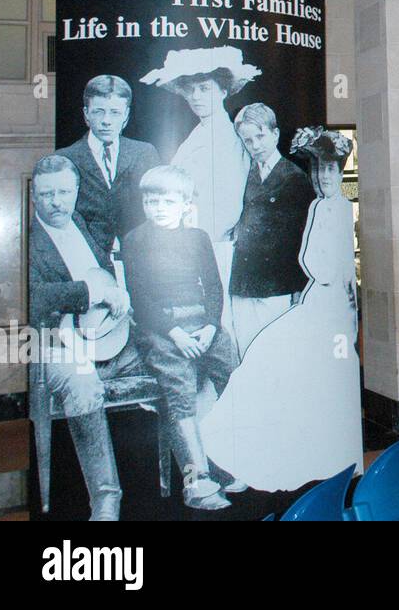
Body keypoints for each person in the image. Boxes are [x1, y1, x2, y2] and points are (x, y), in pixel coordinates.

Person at [200, 127, 361, 492]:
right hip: (315, 300)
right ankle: (254, 459)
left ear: (340, 173)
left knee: (278, 366)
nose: (324, 178)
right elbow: (310, 261)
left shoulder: (339, 209)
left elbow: (327, 268)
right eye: (319, 171)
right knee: (265, 365)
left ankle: (305, 460)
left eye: (331, 171)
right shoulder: (320, 206)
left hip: (330, 309)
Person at [123, 165, 241, 511]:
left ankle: (231, 460)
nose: (158, 207)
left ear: (185, 203)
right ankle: (198, 480)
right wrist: (175, 334)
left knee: (234, 374)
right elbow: (139, 298)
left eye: (168, 200)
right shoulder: (135, 240)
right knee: (178, 388)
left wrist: (209, 328)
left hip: (201, 323)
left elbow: (215, 289)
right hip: (160, 329)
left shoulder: (197, 238)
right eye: (151, 200)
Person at [27, 155, 138, 520]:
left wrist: (115, 291)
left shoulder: (76, 220)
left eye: (64, 192)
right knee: (83, 383)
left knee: (170, 351)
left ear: (75, 191)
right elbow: (34, 296)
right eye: (47, 194)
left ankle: (198, 471)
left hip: (101, 335)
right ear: (33, 195)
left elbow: (102, 266)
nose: (56, 202)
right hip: (50, 345)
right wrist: (93, 293)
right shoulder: (25, 235)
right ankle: (107, 499)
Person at [139, 47, 257, 291]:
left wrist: (192, 239)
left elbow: (230, 205)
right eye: (190, 89)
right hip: (190, 244)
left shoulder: (228, 139)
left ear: (223, 91)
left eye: (204, 89)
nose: (196, 96)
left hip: (210, 246)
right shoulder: (199, 133)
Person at [227, 103, 315, 358]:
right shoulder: (244, 174)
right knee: (245, 352)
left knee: (274, 353)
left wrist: (300, 286)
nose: (255, 145)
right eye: (248, 140)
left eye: (260, 136)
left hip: (277, 286)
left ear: (275, 134)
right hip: (244, 282)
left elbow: (303, 237)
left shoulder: (295, 178)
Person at [56, 75, 160, 256]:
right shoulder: (65, 159)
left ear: (126, 115)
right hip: (85, 260)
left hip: (140, 258)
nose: (106, 120)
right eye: (98, 111)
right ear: (86, 114)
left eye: (115, 112)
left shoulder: (145, 153)